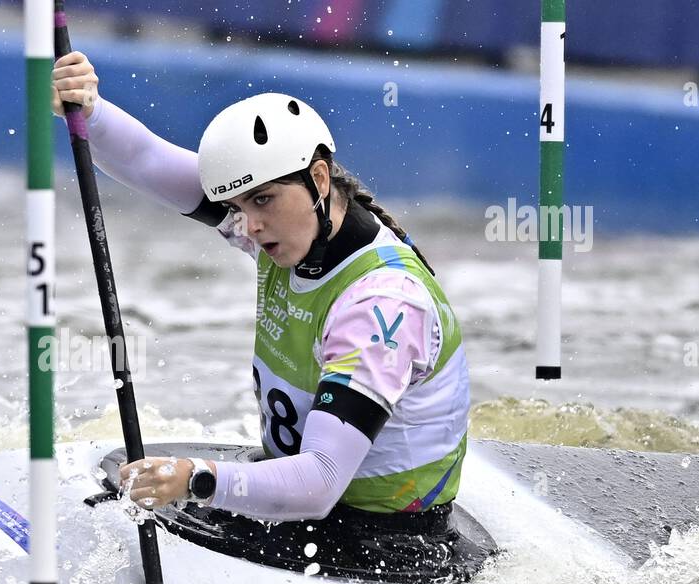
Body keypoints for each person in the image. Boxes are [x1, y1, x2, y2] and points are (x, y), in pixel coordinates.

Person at [52, 52, 471, 531]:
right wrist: (90, 109)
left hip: (380, 537)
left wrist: (196, 480)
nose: (247, 225)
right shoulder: (294, 230)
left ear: (317, 178)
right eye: (236, 205)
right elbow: (146, 160)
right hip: (304, 501)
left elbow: (320, 482)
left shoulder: (380, 305)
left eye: (263, 200)